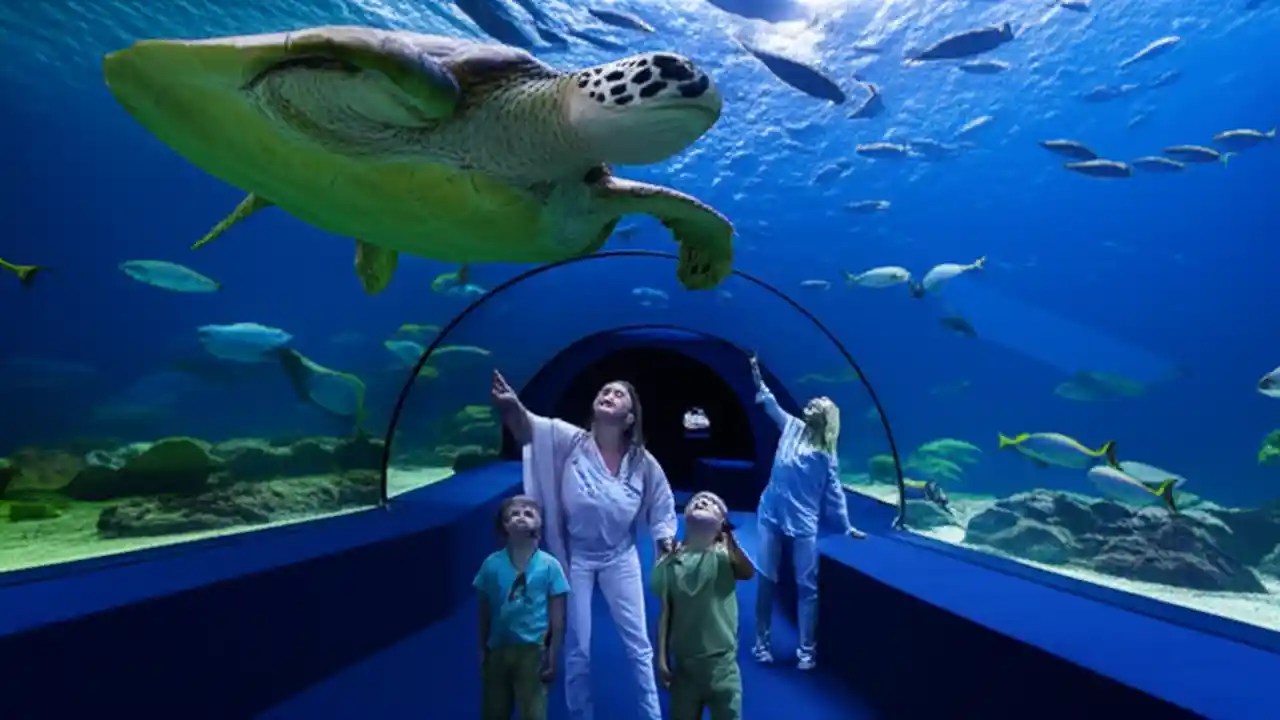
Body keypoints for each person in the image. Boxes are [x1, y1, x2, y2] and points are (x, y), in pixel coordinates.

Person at [491, 370, 677, 720]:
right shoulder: (570, 440)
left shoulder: (642, 462)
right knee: (578, 647)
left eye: (618, 394)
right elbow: (528, 428)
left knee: (639, 645)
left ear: (630, 417)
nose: (608, 393)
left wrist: (665, 539)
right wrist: (510, 406)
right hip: (575, 558)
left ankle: (651, 715)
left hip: (620, 557)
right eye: (604, 389)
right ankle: (581, 715)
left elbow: (664, 504)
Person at [748, 352, 865, 671]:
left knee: (807, 587)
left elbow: (834, 494)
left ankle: (806, 650)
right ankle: (761, 643)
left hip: (803, 523)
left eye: (818, 405)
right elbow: (770, 403)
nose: (810, 404)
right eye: (812, 402)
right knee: (766, 579)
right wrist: (757, 372)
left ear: (828, 418)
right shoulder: (792, 427)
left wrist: (845, 526)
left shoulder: (826, 455)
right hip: (770, 514)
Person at [651, 491, 754, 720]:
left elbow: (748, 572)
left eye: (712, 504)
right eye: (697, 501)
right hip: (685, 667)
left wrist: (729, 540)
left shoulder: (724, 558)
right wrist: (661, 658)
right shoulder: (673, 561)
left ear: (721, 525)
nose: (703, 501)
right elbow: (666, 612)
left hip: (723, 667)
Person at [474, 495, 570, 720]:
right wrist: (482, 650)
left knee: (533, 712)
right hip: (497, 649)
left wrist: (553, 655)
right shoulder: (491, 565)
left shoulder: (550, 566)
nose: (521, 517)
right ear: (504, 525)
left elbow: (558, 619)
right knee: (493, 710)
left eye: (528, 514)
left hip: (533, 651)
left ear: (539, 523)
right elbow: (484, 612)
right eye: (514, 514)